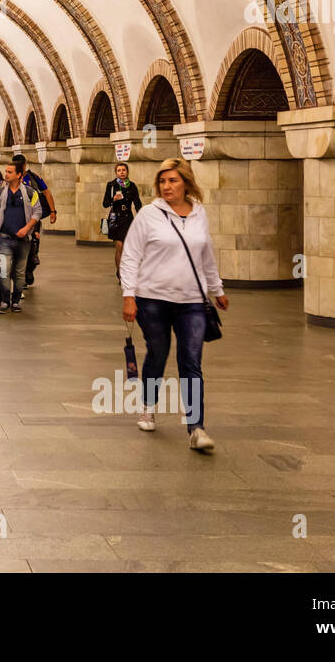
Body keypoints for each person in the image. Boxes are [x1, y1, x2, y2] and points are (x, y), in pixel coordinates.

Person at [120, 158, 228, 452]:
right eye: (163, 181)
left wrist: (216, 289)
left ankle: (197, 428)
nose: (166, 187)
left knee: (191, 363)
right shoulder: (148, 215)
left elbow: (205, 255)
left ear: (186, 183)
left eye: (173, 181)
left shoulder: (199, 213)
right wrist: (128, 295)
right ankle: (147, 406)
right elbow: (130, 255)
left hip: (192, 301)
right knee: (158, 353)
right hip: (152, 299)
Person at [0, 163, 43, 314]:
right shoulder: (0, 191)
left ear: (19, 175)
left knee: (19, 272)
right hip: (4, 237)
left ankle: (16, 301)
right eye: (6, 171)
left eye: (10, 172)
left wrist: (26, 229)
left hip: (23, 240)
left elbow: (37, 212)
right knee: (3, 270)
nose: (6, 174)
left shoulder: (30, 193)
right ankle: (5, 300)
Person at [12, 153, 57, 289]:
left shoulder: (33, 177)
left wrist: (53, 211)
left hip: (33, 218)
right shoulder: (10, 178)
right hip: (16, 218)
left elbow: (47, 192)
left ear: (25, 165)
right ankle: (21, 274)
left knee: (33, 245)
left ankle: (29, 268)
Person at [103, 162, 143, 281]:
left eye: (124, 170)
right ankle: (120, 274)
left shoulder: (132, 186)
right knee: (119, 246)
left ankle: (126, 271)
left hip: (128, 218)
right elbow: (105, 203)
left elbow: (137, 203)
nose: (121, 172)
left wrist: (141, 216)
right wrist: (113, 199)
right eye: (119, 170)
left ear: (127, 172)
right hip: (116, 218)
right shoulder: (111, 185)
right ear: (116, 173)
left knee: (127, 248)